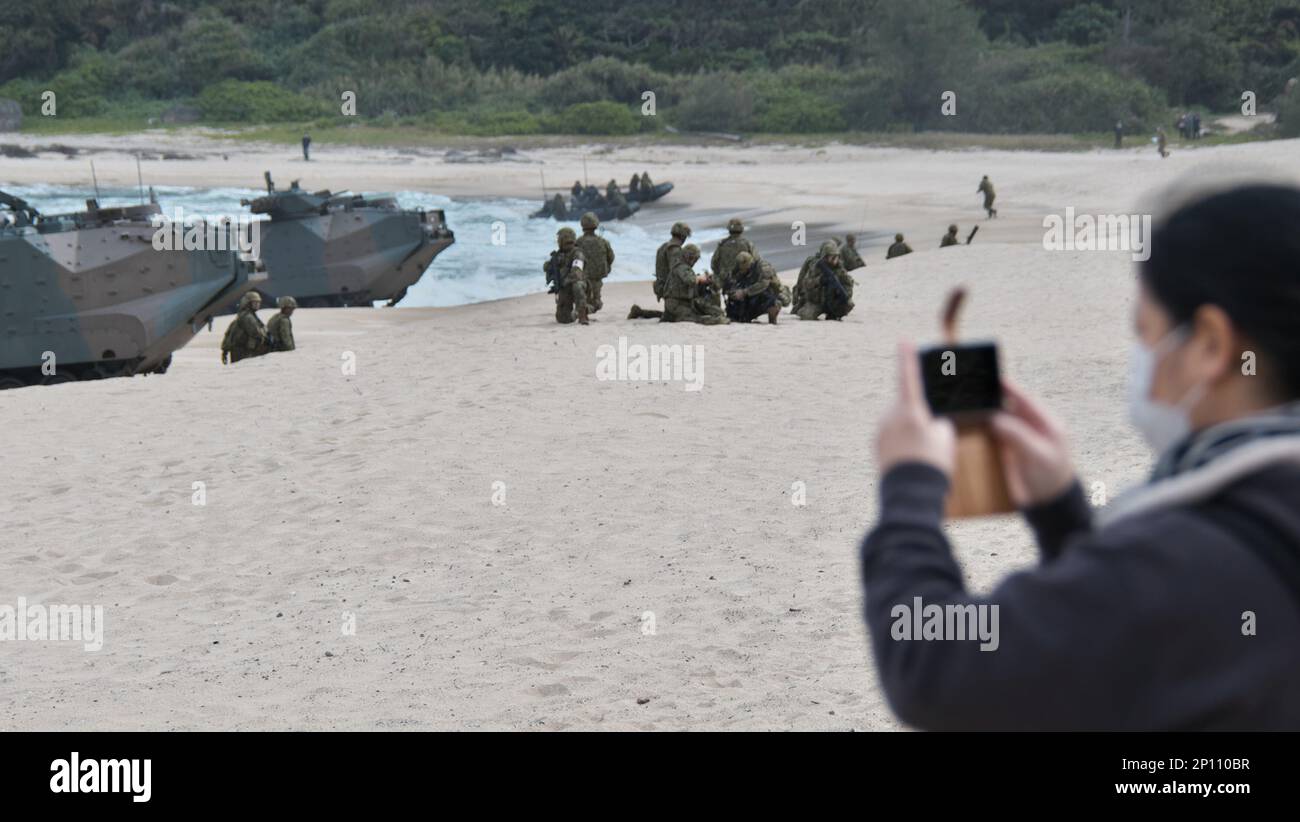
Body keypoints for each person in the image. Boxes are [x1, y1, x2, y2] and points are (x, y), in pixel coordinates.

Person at [860, 183, 1300, 730]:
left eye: (1146, 331)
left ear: (1211, 345)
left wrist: (909, 484)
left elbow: (933, 667)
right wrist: (1061, 512)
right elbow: (1130, 640)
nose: (1140, 359)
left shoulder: (1187, 558)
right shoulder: (1267, 506)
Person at [792, 240, 854, 321]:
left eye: (836, 257)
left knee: (848, 303)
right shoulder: (817, 267)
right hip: (817, 302)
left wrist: (840, 292)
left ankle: (833, 314)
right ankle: (801, 306)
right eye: (832, 257)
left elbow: (848, 285)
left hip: (833, 301)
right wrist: (819, 280)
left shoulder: (840, 270)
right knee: (806, 315)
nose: (834, 260)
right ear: (825, 257)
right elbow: (806, 283)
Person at [544, 227, 589, 325]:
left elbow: (576, 273)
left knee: (577, 285)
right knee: (563, 318)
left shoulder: (577, 253)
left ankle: (583, 314)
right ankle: (576, 313)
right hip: (565, 287)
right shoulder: (559, 255)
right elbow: (549, 267)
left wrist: (563, 282)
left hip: (580, 286)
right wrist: (548, 267)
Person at [725, 251, 781, 324]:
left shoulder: (763, 266)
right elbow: (734, 280)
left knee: (768, 297)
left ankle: (772, 317)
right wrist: (733, 291)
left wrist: (744, 292)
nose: (742, 270)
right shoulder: (740, 270)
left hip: (770, 294)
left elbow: (764, 284)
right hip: (752, 295)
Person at [574, 211, 615, 314]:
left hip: (582, 278)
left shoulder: (578, 242)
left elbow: (573, 259)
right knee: (596, 302)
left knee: (586, 299)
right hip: (597, 277)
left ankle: (585, 308)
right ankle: (588, 307)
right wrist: (606, 267)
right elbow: (611, 257)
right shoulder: (603, 242)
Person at [710, 218, 756, 305]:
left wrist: (720, 274)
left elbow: (713, 263)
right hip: (743, 279)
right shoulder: (747, 244)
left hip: (725, 279)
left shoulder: (722, 244)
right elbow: (755, 261)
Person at [221, 291, 268, 364]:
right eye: (255, 303)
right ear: (248, 303)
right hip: (244, 352)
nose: (257, 305)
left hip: (240, 351)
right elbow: (256, 333)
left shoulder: (243, 316)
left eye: (258, 302)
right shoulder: (247, 317)